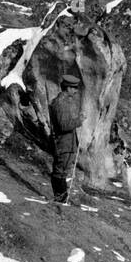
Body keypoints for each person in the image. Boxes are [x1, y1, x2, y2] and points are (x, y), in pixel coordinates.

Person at [49, 73, 85, 203]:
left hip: (67, 144)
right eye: (74, 88)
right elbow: (64, 125)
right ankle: (60, 200)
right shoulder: (61, 103)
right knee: (60, 172)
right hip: (64, 144)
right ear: (68, 88)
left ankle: (61, 199)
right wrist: (79, 120)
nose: (75, 91)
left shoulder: (65, 102)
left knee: (62, 172)